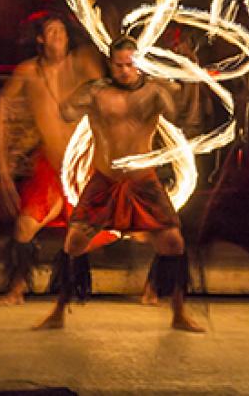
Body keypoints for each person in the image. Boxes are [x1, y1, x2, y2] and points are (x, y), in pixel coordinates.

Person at [34, 36, 204, 332]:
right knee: (73, 242)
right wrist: (69, 81)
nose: (125, 71)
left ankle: (179, 314)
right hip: (106, 180)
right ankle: (58, 311)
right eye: (119, 65)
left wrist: (189, 75)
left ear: (138, 63)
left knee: (174, 243)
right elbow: (66, 112)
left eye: (130, 64)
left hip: (143, 181)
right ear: (110, 64)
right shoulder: (96, 92)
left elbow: (182, 116)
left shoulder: (154, 92)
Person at [0, 13, 114, 304]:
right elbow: (2, 101)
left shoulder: (82, 63)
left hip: (82, 167)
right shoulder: (29, 72)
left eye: (62, 31)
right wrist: (0, 147)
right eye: (51, 31)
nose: (58, 35)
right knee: (24, 226)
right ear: (40, 39)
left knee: (100, 232)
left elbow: (106, 88)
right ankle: (17, 289)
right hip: (49, 166)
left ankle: (80, 289)